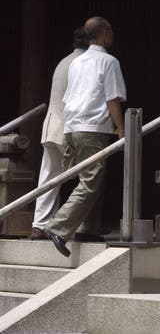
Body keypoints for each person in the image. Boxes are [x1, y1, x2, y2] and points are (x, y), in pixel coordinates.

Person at [41, 16, 127, 257]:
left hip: (72, 126)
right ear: (105, 32)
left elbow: (69, 96)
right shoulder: (108, 61)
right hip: (92, 127)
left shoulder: (77, 62)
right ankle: (59, 227)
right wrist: (121, 127)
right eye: (110, 31)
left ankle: (89, 228)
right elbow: (112, 98)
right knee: (91, 181)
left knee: (91, 179)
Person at [31, 26, 89, 238]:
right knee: (88, 178)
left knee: (49, 177)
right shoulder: (83, 63)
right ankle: (77, 226)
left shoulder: (64, 61)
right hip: (69, 128)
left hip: (52, 125)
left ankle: (40, 224)